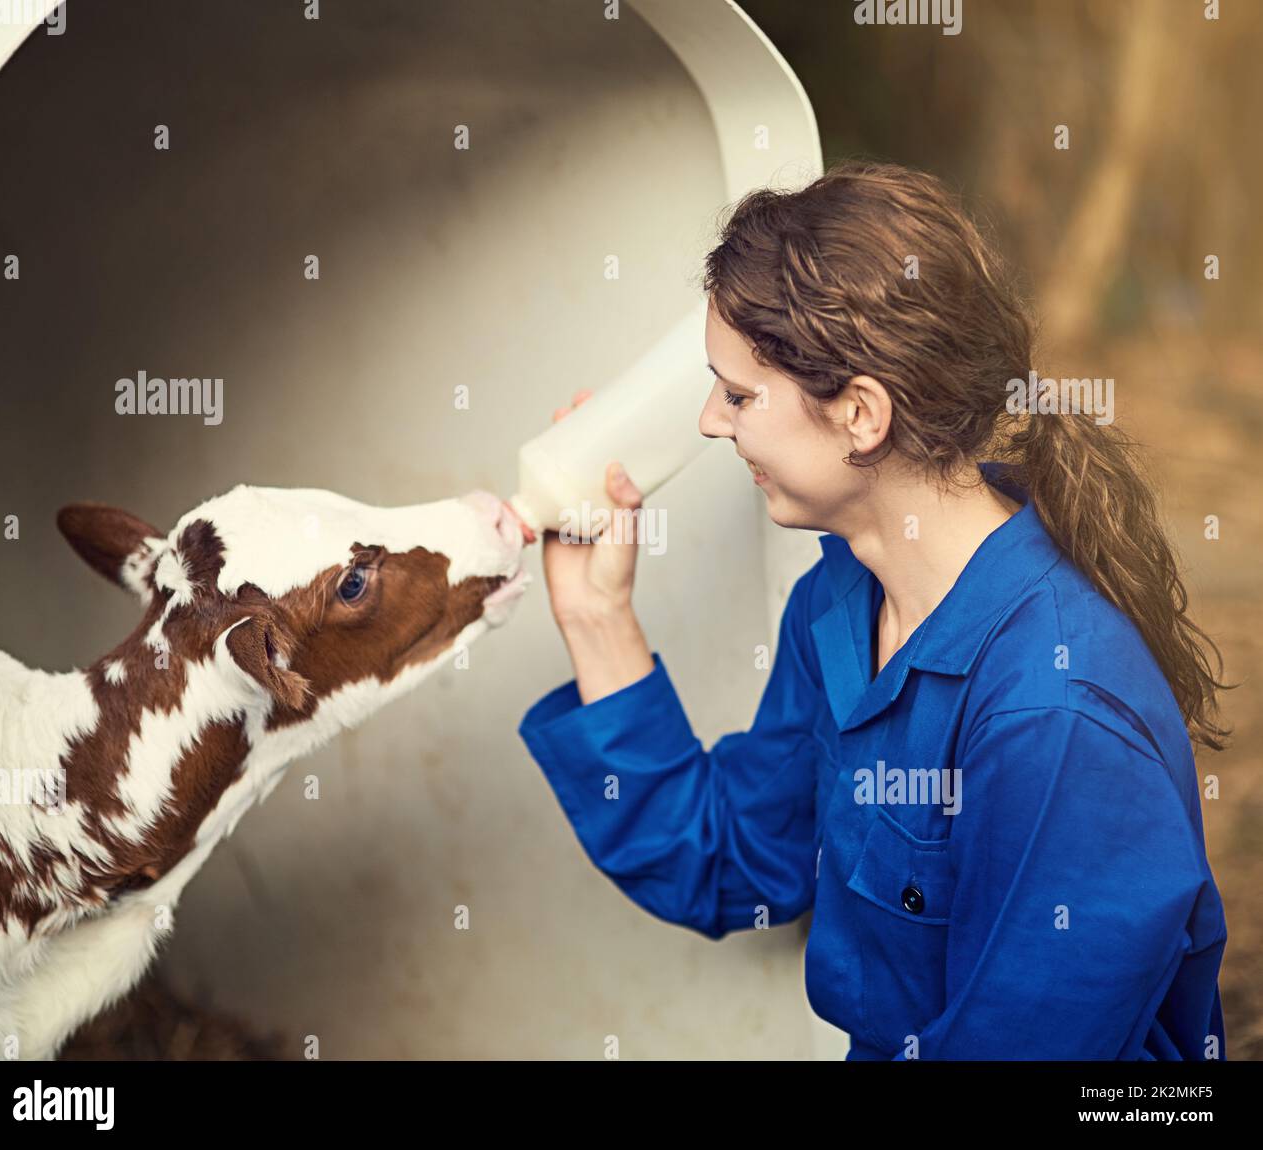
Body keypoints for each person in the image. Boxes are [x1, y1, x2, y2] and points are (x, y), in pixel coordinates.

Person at [516, 159, 1230, 1061]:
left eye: (737, 394)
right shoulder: (843, 602)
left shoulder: (1055, 711)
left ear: (860, 414)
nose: (708, 420)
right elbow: (740, 860)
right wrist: (597, 616)